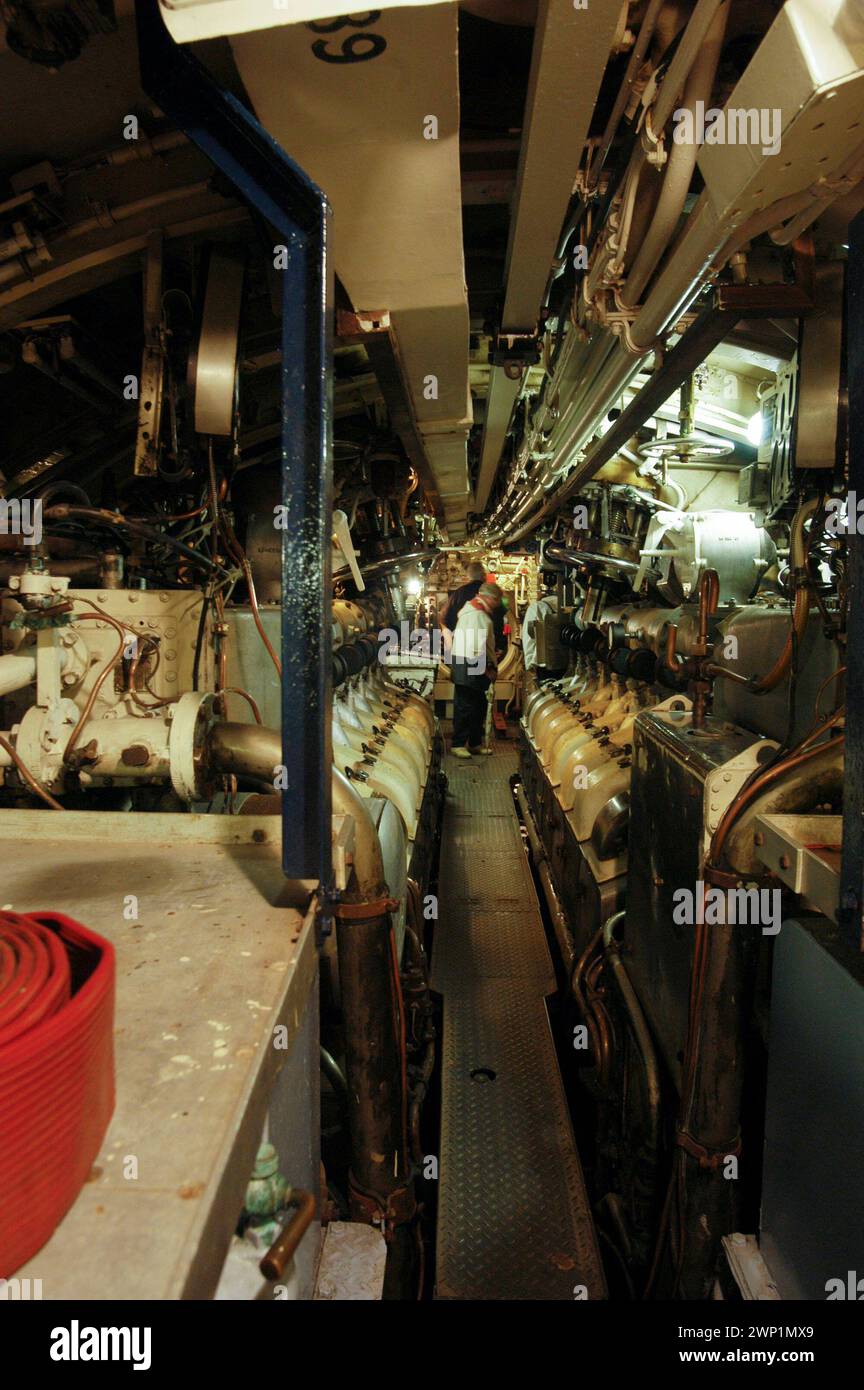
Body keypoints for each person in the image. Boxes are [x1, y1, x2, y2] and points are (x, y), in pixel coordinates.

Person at [449, 582, 503, 758]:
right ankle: (458, 744)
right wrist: (487, 668)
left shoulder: (473, 611)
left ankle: (474, 742)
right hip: (470, 663)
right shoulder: (477, 615)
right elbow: (475, 646)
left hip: (467, 662)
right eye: (497, 600)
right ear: (489, 598)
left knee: (478, 705)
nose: (498, 604)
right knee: (465, 705)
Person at [440, 561, 506, 657]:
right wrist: (500, 646)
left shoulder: (458, 594)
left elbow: (443, 619)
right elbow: (500, 620)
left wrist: (450, 643)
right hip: (487, 649)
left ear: (468, 576)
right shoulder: (491, 594)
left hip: (460, 650)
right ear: (484, 575)